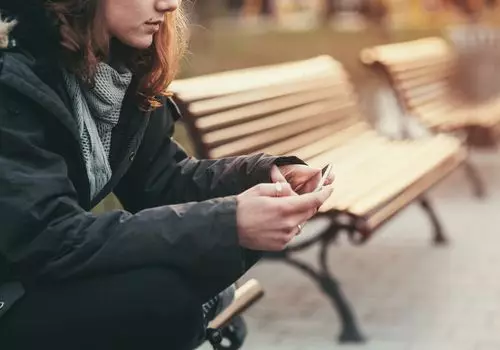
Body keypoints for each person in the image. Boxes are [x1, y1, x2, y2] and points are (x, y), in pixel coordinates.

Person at [0, 0, 334, 349]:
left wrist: (262, 176)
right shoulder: (11, 73)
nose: (170, 4)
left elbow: (163, 180)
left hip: (39, 273)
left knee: (181, 283)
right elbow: (50, 236)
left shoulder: (117, 68)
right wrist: (229, 222)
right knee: (164, 298)